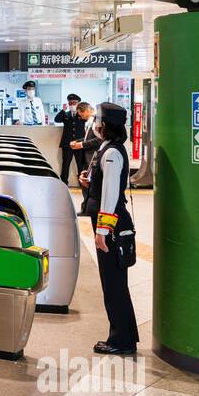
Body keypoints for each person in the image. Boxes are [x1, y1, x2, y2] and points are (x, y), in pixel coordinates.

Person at [83, 102, 139, 356]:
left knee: (114, 283)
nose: (94, 123)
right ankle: (123, 336)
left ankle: (121, 340)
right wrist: (89, 180)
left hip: (112, 226)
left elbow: (111, 193)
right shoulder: (106, 149)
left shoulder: (112, 153)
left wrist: (103, 231)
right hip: (110, 223)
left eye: (97, 119)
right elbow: (104, 184)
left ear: (105, 125)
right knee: (112, 282)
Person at [54, 93, 88, 185]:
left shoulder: (82, 114)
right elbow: (56, 119)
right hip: (67, 144)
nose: (72, 105)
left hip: (80, 144)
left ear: (78, 104)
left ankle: (82, 183)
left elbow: (89, 118)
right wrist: (63, 110)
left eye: (74, 103)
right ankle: (64, 184)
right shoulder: (66, 114)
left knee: (80, 165)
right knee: (65, 165)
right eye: (70, 103)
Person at [70, 102, 97, 216]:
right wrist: (78, 141)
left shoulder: (97, 122)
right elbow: (87, 138)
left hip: (93, 158)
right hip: (87, 158)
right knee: (85, 184)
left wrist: (81, 145)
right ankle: (86, 209)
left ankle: (90, 210)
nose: (80, 117)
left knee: (91, 186)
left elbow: (97, 140)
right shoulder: (90, 122)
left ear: (86, 110)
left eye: (80, 114)